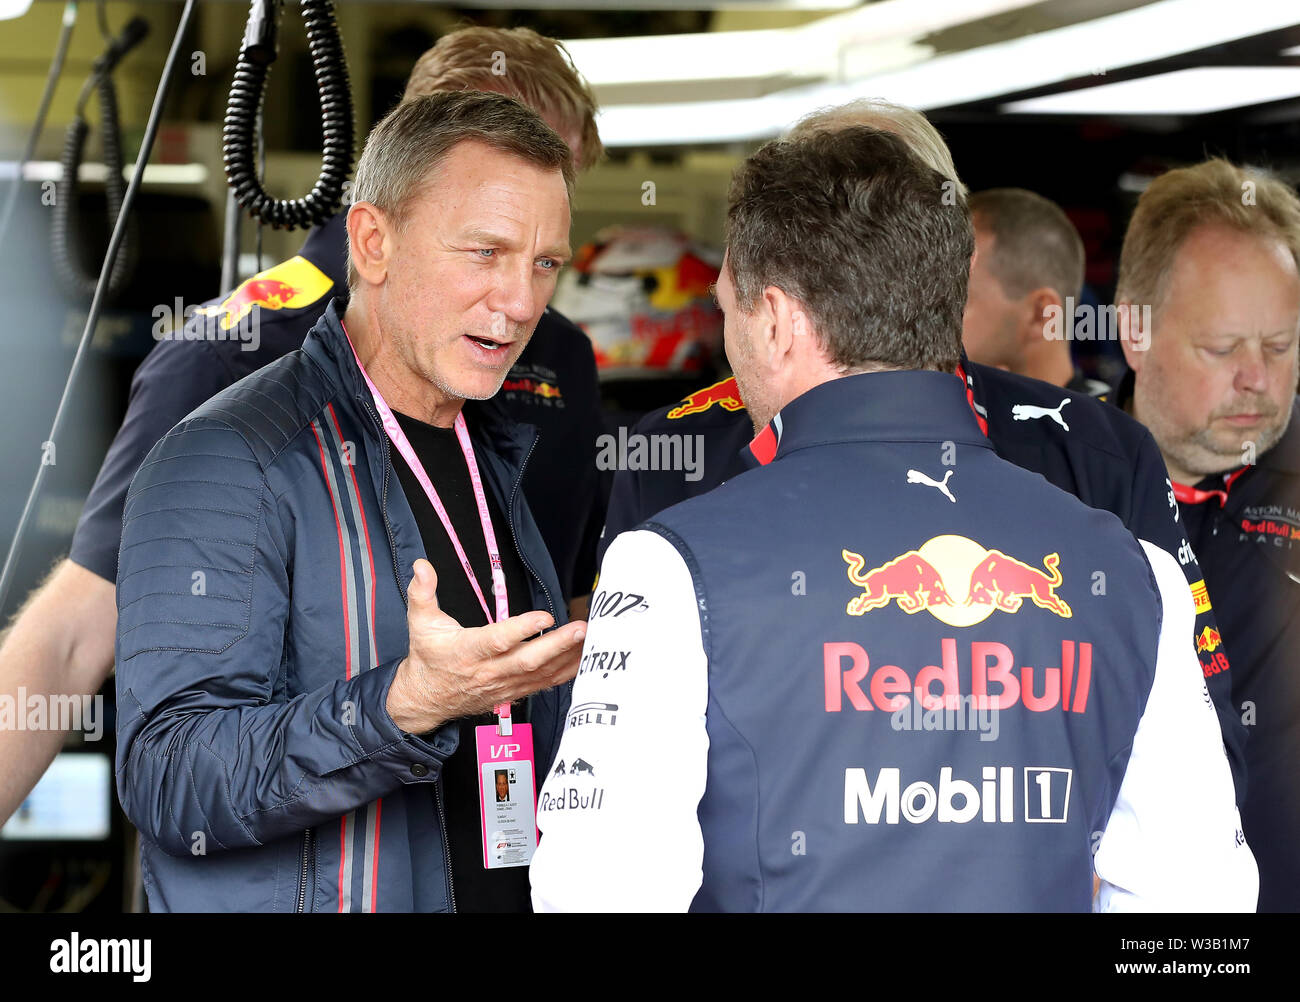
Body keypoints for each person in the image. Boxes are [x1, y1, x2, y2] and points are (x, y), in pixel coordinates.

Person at [529, 125, 1255, 912]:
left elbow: (593, 894)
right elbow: (1201, 910)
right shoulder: (1136, 576)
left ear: (773, 320)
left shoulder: (667, 568)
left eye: (728, 307)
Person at [0, 25, 606, 828]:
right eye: (488, 232)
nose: (518, 296)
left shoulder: (559, 356)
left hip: (505, 848)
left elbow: (568, 610)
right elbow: (76, 636)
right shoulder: (231, 355)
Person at [115, 91, 586, 912]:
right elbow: (168, 774)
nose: (519, 303)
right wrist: (401, 707)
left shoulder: (497, 447)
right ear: (373, 242)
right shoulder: (231, 457)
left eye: (545, 263)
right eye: (485, 253)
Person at [1113, 157, 1300, 911]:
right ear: (1133, 331)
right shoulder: (1041, 482)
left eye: (1282, 346)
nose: (1256, 377)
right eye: (1223, 349)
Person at [963, 188, 1107, 395]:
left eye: (959, 300)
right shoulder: (945, 416)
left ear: (1041, 314)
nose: (935, 319)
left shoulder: (1111, 426)